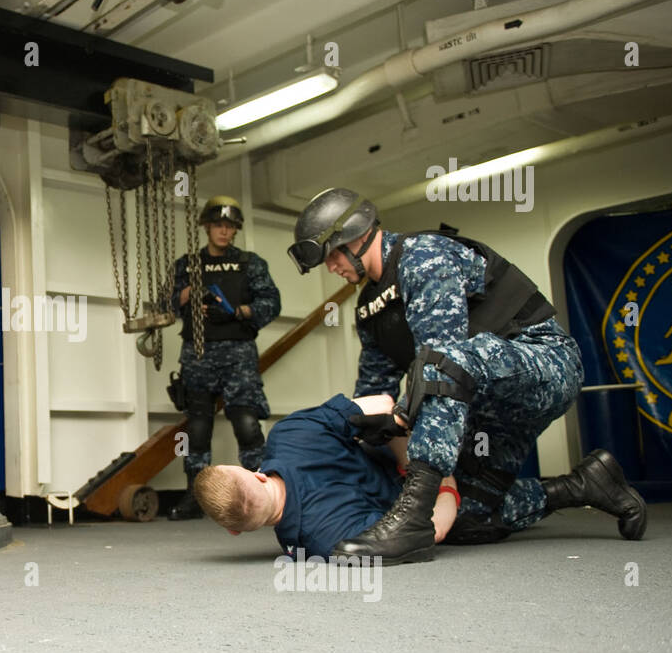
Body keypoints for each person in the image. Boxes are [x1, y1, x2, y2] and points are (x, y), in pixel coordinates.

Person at [286, 188, 645, 563]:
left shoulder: (423, 257)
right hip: (488, 407)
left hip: (545, 366)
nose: (330, 268)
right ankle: (583, 486)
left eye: (331, 255)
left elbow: (442, 356)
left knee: (441, 363)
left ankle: (412, 518)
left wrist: (403, 421)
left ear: (357, 237)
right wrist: (349, 434)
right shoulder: (369, 309)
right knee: (464, 518)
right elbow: (374, 393)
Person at [194, 394, 460, 558]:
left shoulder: (319, 544)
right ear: (258, 476)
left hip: (444, 490)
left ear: (235, 531)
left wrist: (443, 481)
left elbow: (432, 530)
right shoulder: (288, 432)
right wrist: (419, 463)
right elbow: (384, 406)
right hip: (441, 432)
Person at [167, 196, 281, 520]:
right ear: (206, 226)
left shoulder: (250, 263)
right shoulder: (186, 265)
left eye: (230, 227)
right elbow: (168, 304)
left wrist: (238, 311)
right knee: (197, 428)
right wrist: (189, 294)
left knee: (246, 423)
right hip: (198, 353)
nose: (224, 231)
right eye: (218, 225)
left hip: (238, 353)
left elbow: (271, 303)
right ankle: (196, 495)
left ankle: (259, 491)